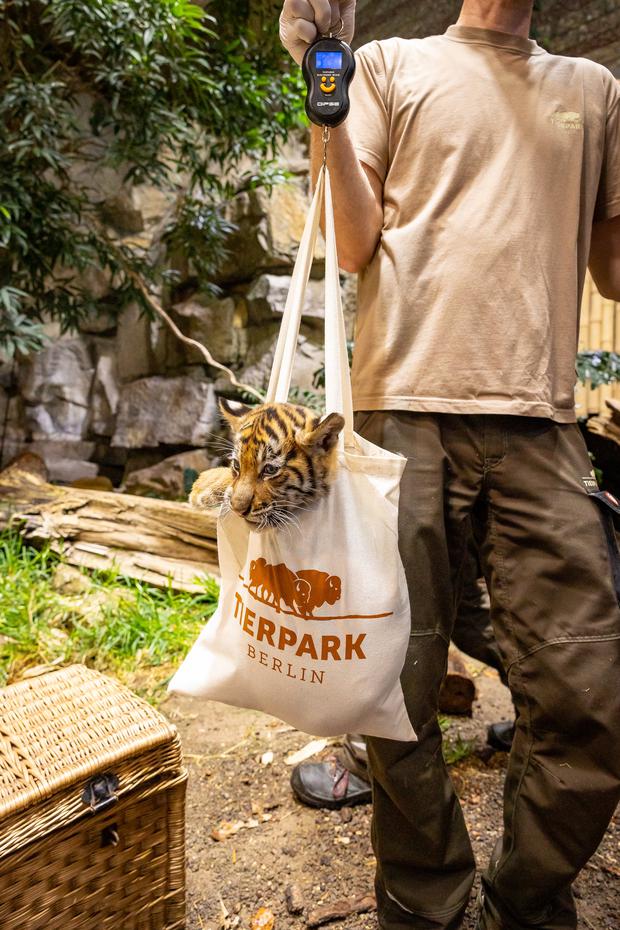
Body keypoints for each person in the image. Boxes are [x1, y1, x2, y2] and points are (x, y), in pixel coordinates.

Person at [278, 2, 620, 929]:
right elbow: (352, 245)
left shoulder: (592, 90)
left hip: (542, 420)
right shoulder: (388, 63)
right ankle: (423, 900)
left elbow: (614, 272)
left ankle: (525, 901)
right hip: (404, 409)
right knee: (395, 683)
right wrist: (329, 99)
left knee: (591, 691)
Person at [291, 533, 515, 810]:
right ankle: (545, 714)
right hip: (464, 499)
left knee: (393, 597)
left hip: (415, 504)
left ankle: (366, 762)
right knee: (466, 606)